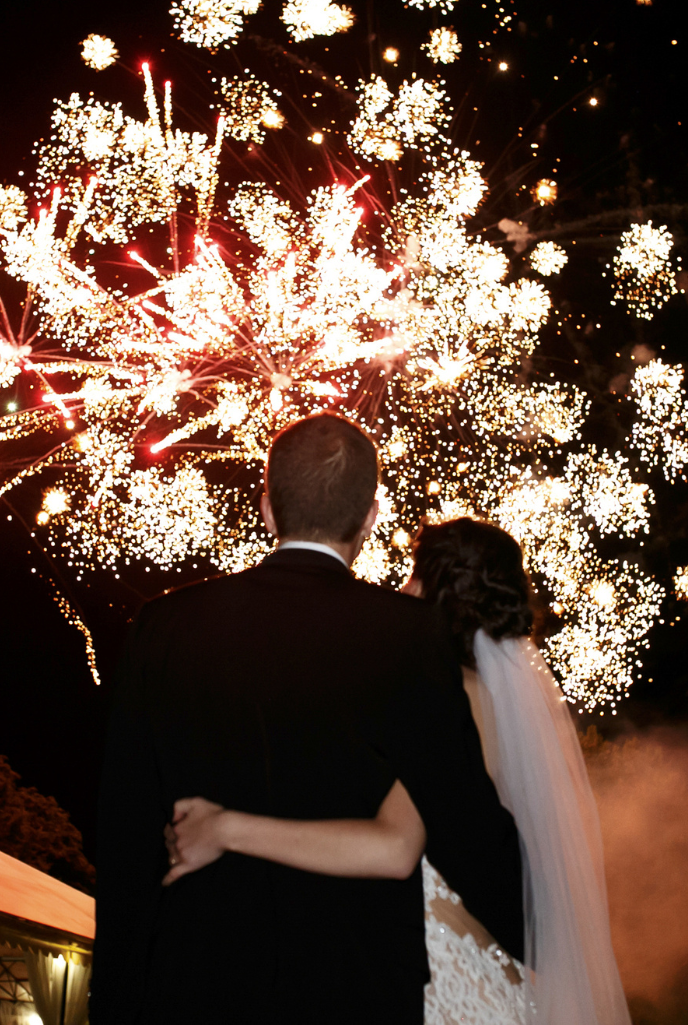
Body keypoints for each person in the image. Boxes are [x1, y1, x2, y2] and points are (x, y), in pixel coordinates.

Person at [93, 414, 523, 1024]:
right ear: (370, 518)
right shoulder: (410, 635)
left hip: (194, 985)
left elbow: (126, 839)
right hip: (355, 990)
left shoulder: (163, 626)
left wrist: (114, 1005)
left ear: (267, 509)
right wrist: (542, 934)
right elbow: (464, 821)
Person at [164, 519, 633, 1025]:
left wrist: (223, 828)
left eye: (414, 576)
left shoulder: (453, 696)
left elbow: (395, 847)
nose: (402, 590)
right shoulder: (490, 697)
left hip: (436, 976)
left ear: (438, 593)